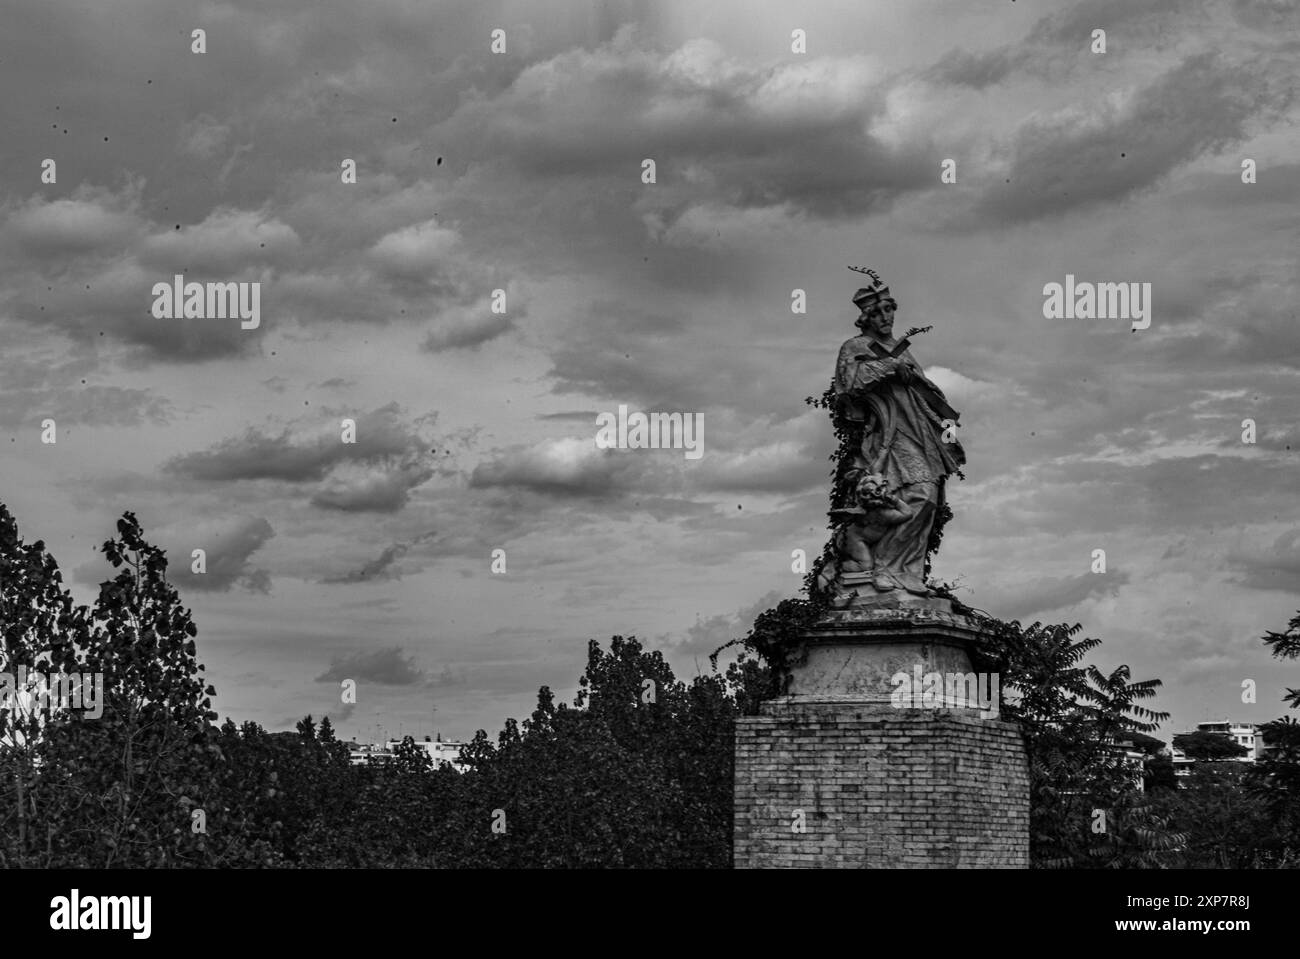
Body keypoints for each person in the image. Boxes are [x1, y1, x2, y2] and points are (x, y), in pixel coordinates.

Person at [829, 277, 965, 597]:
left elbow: (925, 389)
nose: (885, 317)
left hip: (918, 430)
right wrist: (889, 368)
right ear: (866, 318)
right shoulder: (855, 347)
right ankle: (886, 570)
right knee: (919, 495)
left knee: (927, 499)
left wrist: (918, 381)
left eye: (889, 310)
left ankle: (906, 571)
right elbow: (848, 383)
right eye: (878, 313)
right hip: (889, 434)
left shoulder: (899, 349)